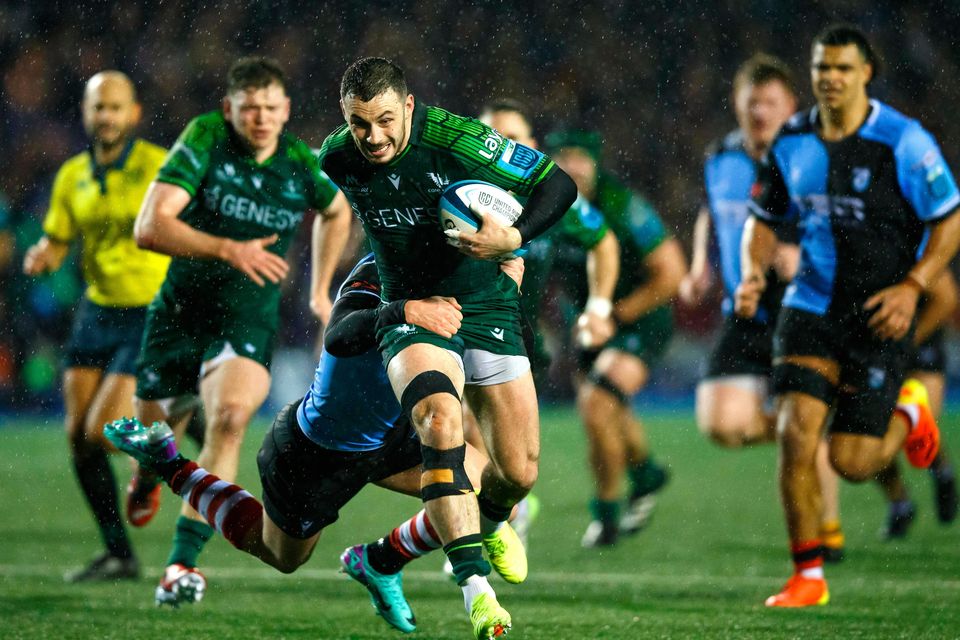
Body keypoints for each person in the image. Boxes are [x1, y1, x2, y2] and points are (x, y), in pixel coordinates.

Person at [105, 253, 524, 635]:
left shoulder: (466, 279)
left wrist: (505, 286)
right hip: (318, 451)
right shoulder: (381, 269)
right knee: (281, 555)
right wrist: (405, 311)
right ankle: (172, 466)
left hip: (392, 437)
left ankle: (380, 560)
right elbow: (340, 335)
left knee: (488, 484)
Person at [318, 57, 577, 638]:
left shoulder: (462, 140)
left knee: (517, 473)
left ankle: (483, 522)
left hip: (486, 306)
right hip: (412, 309)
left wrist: (513, 237)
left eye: (386, 120)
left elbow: (559, 185)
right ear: (346, 117)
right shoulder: (336, 157)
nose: (374, 138)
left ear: (409, 106)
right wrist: (323, 280)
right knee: (440, 420)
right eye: (361, 124)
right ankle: (474, 589)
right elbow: (322, 203)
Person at [736, 24, 960, 607]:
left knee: (853, 462)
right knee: (794, 435)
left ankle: (911, 410)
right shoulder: (791, 139)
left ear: (866, 73)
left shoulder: (904, 141)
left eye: (841, 68)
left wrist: (914, 285)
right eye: (820, 68)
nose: (829, 78)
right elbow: (762, 218)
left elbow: (949, 218)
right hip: (809, 307)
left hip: (880, 314)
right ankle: (807, 577)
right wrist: (753, 275)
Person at [128, 56, 352, 605]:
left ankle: (181, 565)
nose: (260, 118)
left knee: (229, 422)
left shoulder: (300, 161)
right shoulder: (205, 137)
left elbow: (336, 209)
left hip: (248, 314)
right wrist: (230, 248)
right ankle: (148, 471)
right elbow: (149, 226)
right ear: (228, 109)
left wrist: (321, 290)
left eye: (271, 108)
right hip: (180, 311)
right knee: (157, 438)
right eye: (249, 108)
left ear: (286, 111)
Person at [679, 54, 845, 561]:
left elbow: (843, 221)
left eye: (770, 103)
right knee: (720, 423)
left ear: (791, 106)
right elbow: (712, 209)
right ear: (737, 105)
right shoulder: (720, 156)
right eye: (752, 103)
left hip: (803, 305)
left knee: (817, 428)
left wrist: (803, 253)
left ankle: (827, 528)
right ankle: (809, 427)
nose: (759, 113)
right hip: (744, 305)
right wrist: (698, 265)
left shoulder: (812, 156)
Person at [21, 71, 170, 582]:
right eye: (97, 107)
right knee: (77, 439)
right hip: (96, 310)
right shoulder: (70, 176)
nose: (105, 116)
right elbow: (60, 237)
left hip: (148, 309)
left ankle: (159, 455)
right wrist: (46, 253)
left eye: (115, 107)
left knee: (101, 429)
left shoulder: (159, 166)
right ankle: (119, 554)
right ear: (86, 113)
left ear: (134, 113)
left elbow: (185, 223)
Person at [544, 129, 687, 547]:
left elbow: (673, 272)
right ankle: (646, 475)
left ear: (595, 163)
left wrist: (617, 312)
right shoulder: (544, 205)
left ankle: (605, 515)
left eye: (580, 157)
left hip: (639, 321)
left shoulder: (623, 206)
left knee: (598, 402)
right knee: (609, 411)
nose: (571, 166)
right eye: (563, 157)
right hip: (588, 325)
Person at [874, 271, 959, 538]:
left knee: (917, 424)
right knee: (868, 433)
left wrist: (907, 342)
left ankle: (940, 469)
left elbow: (946, 297)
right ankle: (899, 500)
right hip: (873, 344)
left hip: (919, 341)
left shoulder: (910, 237)